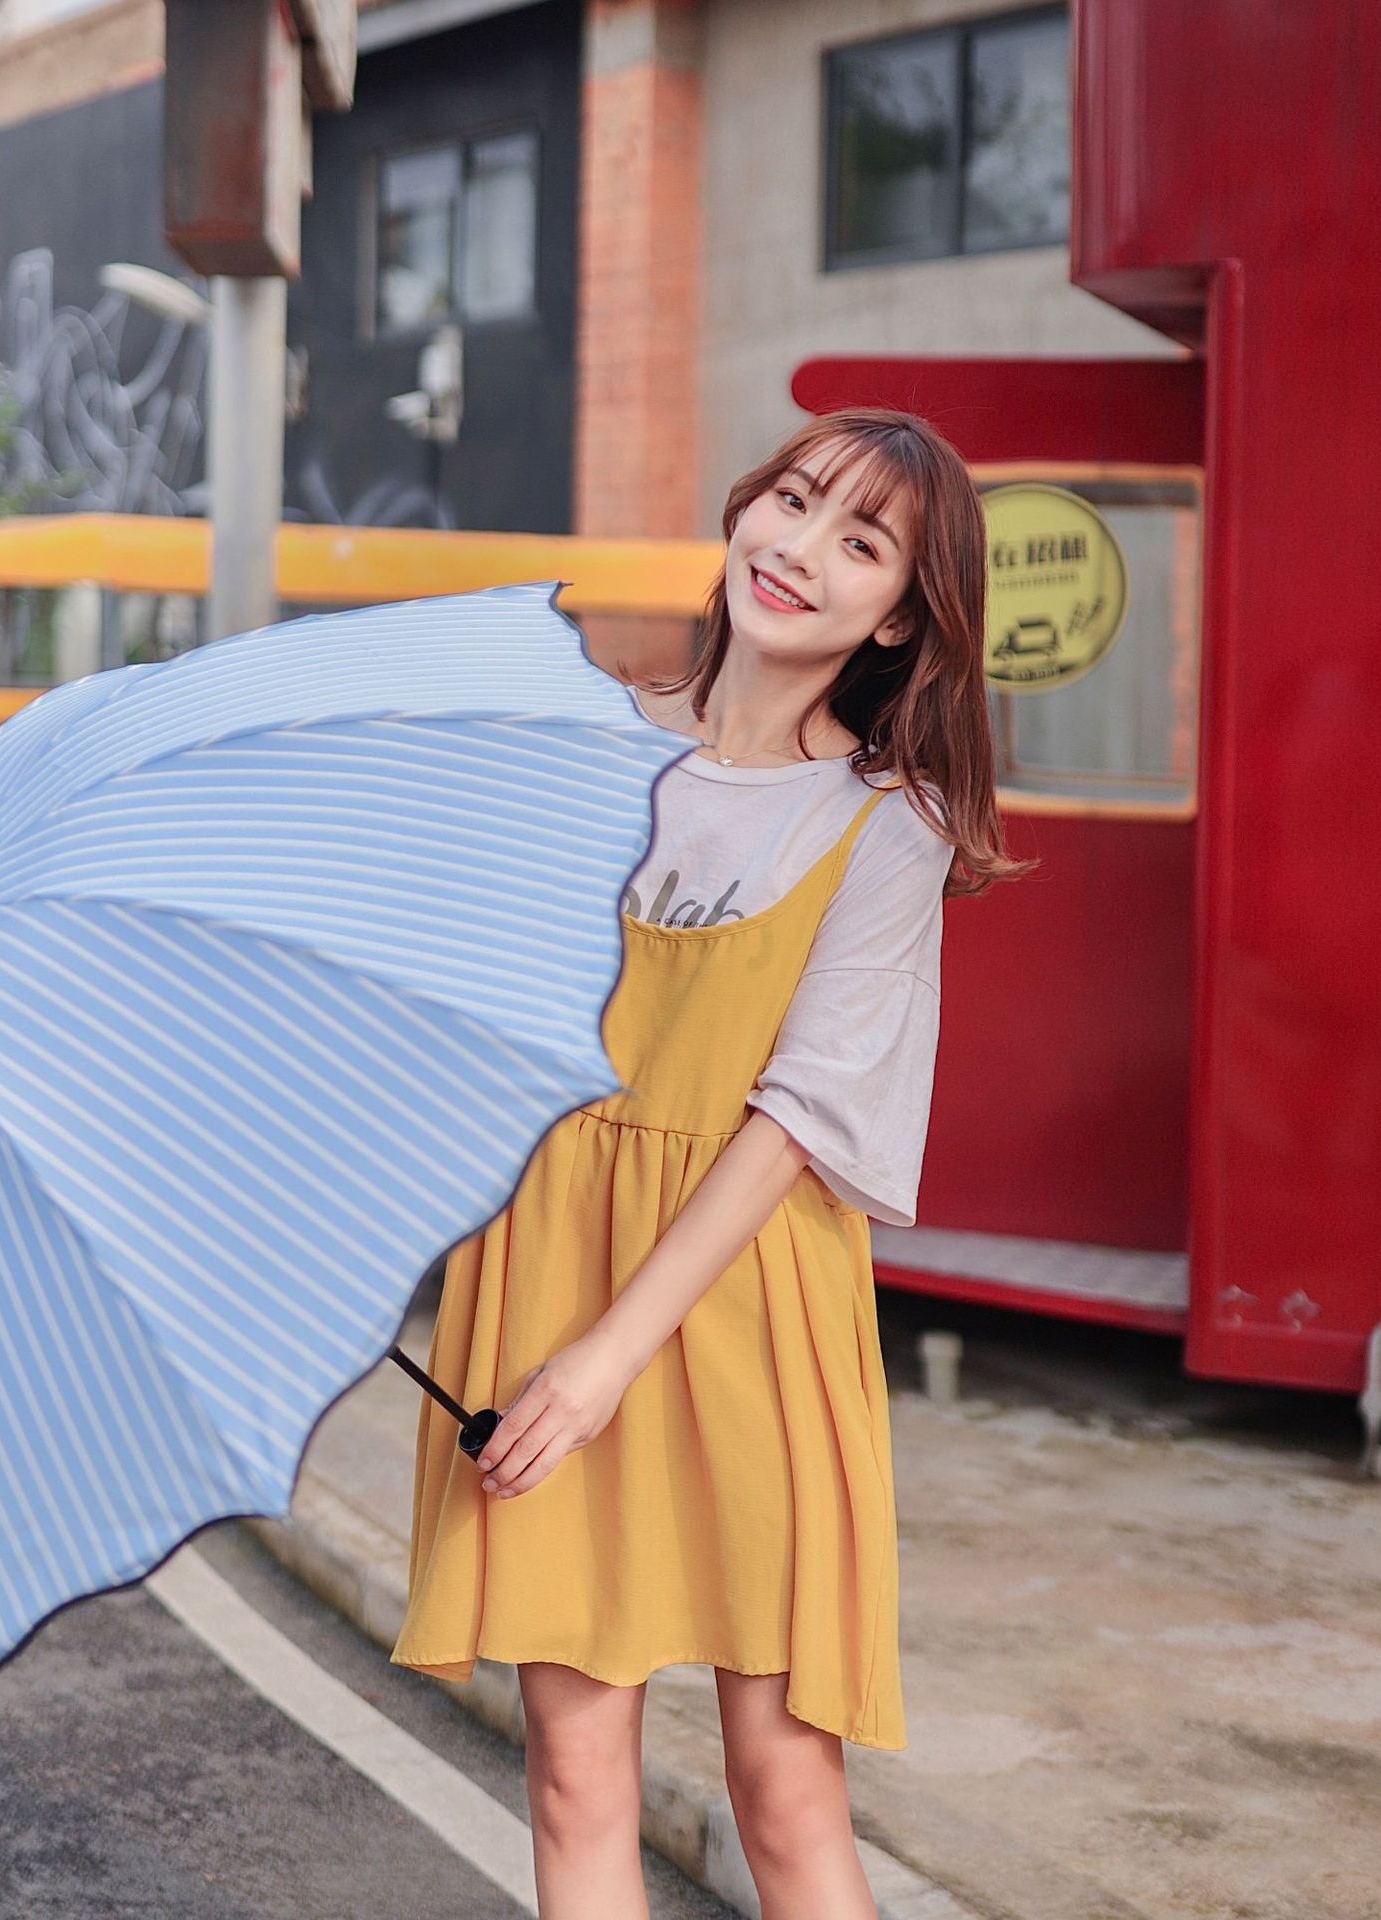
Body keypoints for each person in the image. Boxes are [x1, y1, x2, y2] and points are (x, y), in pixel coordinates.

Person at [389, 407, 1034, 1919]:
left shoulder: (889, 822)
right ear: (744, 508)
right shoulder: (582, 743)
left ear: (902, 616)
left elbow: (799, 1116)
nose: (802, 549)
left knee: (785, 1787)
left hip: (745, 1300)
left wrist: (610, 1357)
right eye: (794, 502)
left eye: (860, 542)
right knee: (571, 1769)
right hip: (548, 1262)